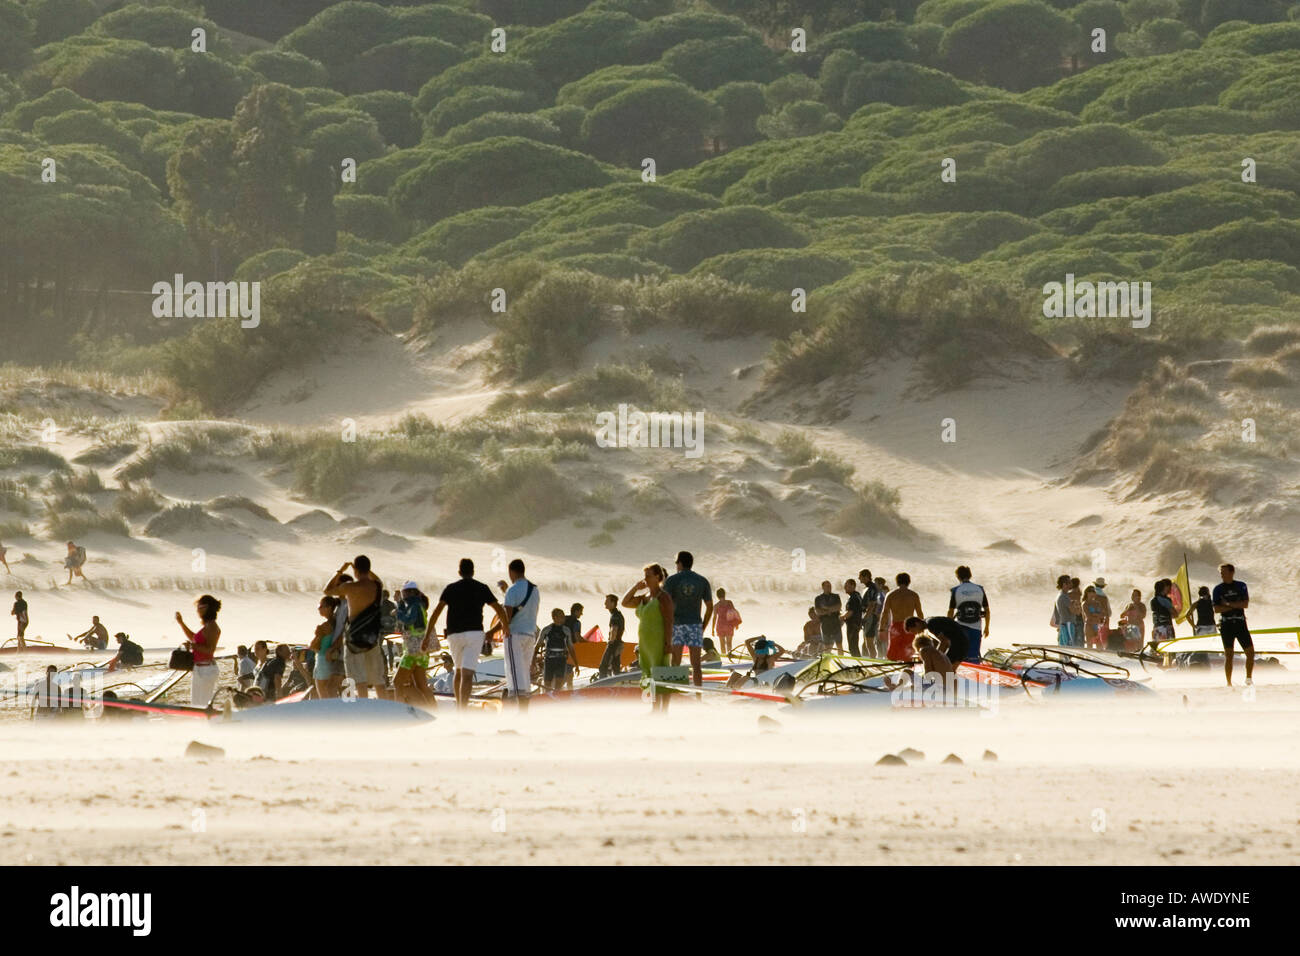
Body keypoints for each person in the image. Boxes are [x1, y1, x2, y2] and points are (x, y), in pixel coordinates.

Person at [425, 558, 506, 710]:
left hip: (454, 634)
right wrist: (500, 629)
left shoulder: (451, 588)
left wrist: (427, 635)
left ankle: (460, 708)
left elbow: (436, 613)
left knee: (458, 671)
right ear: (473, 571)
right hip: (474, 633)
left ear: (460, 572)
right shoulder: (481, 587)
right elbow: (499, 610)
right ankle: (463, 709)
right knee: (467, 674)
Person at [325, 556, 389, 700]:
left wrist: (340, 571)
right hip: (372, 638)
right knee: (378, 678)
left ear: (356, 571)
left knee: (358, 678)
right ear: (368, 568)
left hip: (354, 638)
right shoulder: (376, 586)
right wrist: (365, 571)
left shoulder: (350, 587)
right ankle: (385, 709)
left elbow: (327, 591)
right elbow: (377, 579)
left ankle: (364, 708)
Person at [621, 563, 674, 712]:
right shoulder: (644, 597)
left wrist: (668, 643)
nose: (645, 579)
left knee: (662, 675)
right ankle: (655, 707)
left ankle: (664, 710)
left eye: (648, 576)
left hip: (659, 641)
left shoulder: (663, 597)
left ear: (657, 577)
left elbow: (669, 621)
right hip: (645, 642)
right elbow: (624, 602)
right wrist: (635, 587)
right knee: (651, 675)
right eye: (644, 576)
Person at [664, 551, 713, 687]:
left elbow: (664, 604)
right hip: (695, 624)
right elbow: (710, 606)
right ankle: (698, 694)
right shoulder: (701, 580)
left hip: (677, 624)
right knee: (696, 664)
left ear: (679, 563)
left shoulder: (672, 580)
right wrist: (703, 626)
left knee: (675, 662)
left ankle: (674, 691)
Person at [498, 559, 541, 711]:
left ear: (511, 572)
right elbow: (523, 609)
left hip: (514, 634)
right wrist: (506, 592)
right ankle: (524, 709)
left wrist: (492, 631)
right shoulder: (534, 590)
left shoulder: (513, 590)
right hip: (530, 634)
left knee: (514, 672)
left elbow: (508, 616)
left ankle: (520, 711)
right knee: (523, 671)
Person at [390, 582, 433, 707]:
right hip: (422, 651)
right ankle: (433, 711)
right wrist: (399, 603)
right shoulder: (419, 605)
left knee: (397, 682)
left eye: (403, 592)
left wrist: (397, 612)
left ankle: (399, 712)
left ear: (408, 592)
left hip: (413, 651)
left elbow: (409, 619)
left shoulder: (414, 605)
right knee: (421, 686)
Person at [176, 594, 221, 707]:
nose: (198, 611)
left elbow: (210, 649)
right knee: (197, 703)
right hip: (200, 668)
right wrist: (181, 623)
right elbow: (193, 638)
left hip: (206, 669)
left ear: (207, 608)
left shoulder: (212, 627)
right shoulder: (207, 626)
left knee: (202, 704)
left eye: (200, 607)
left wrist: (193, 646)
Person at [1213, 563, 1253, 687]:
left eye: (1224, 572)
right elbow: (1217, 609)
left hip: (1240, 623)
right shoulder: (1218, 589)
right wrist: (1234, 605)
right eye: (1221, 573)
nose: (1222, 575)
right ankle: (1229, 682)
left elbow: (1245, 604)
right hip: (1226, 624)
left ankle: (1248, 678)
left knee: (1250, 652)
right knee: (1229, 655)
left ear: (1231, 572)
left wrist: (1228, 605)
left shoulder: (1241, 586)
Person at [947, 566, 989, 662]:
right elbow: (987, 610)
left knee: (961, 653)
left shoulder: (955, 590)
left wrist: (949, 627)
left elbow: (951, 611)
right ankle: (975, 671)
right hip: (977, 626)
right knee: (974, 655)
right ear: (970, 575)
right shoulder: (980, 589)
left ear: (958, 576)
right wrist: (987, 627)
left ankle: (961, 673)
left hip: (961, 626)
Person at [879, 573, 923, 662]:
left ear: (897, 582)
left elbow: (885, 613)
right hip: (911, 627)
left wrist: (881, 629)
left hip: (896, 626)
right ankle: (908, 669)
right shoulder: (913, 595)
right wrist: (922, 629)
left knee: (893, 651)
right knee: (909, 651)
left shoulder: (891, 595)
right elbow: (919, 614)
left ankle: (892, 670)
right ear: (909, 582)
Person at [903, 616, 968, 669]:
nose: (916, 633)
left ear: (917, 623)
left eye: (914, 631)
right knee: (950, 670)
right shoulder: (927, 623)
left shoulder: (930, 624)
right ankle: (950, 683)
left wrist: (934, 657)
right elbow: (937, 643)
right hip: (961, 640)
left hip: (958, 643)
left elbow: (944, 642)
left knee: (944, 668)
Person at [539, 608, 577, 694]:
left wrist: (576, 663)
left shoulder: (566, 630)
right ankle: (547, 699)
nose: (564, 618)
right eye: (561, 616)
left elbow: (571, 647)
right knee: (547, 684)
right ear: (554, 617)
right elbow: (538, 645)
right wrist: (533, 659)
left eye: (563, 616)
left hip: (561, 660)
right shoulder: (546, 630)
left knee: (559, 685)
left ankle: (556, 699)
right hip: (549, 660)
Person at [309, 597, 342, 698]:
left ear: (329, 608)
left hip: (323, 659)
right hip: (330, 658)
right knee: (331, 692)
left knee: (324, 693)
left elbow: (314, 646)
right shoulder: (338, 622)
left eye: (321, 606)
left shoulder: (325, 626)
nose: (319, 609)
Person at [598, 593, 625, 679]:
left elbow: (614, 629)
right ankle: (617, 685)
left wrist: (610, 642)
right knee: (615, 668)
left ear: (613, 603)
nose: (605, 603)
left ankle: (602, 686)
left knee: (603, 667)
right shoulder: (617, 614)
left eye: (607, 601)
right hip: (618, 643)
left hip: (614, 644)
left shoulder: (615, 616)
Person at [813, 580, 842, 652]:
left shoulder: (836, 596)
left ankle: (841, 660)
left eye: (830, 586)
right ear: (823, 587)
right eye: (827, 586)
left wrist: (826, 609)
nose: (829, 587)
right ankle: (827, 660)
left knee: (839, 644)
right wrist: (831, 610)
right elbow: (818, 611)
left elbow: (838, 607)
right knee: (827, 646)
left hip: (836, 623)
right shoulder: (818, 598)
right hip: (825, 623)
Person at [711, 588, 741, 656]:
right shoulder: (729, 602)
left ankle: (724, 657)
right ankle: (729, 656)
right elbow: (734, 613)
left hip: (720, 625)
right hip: (729, 624)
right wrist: (736, 624)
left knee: (722, 644)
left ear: (717, 596)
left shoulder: (716, 606)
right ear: (724, 594)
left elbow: (714, 618)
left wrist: (712, 629)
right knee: (729, 643)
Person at [562, 602, 585, 691]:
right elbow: (577, 637)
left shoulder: (563, 619)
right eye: (580, 612)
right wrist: (587, 642)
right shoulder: (577, 623)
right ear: (576, 611)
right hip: (570, 651)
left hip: (560, 649)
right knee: (569, 675)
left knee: (562, 673)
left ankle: (558, 691)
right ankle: (569, 693)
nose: (581, 614)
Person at [858, 570, 881, 657]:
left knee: (869, 642)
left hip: (870, 616)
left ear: (866, 577)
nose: (859, 578)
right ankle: (868, 659)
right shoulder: (867, 588)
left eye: (860, 576)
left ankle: (873, 661)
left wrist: (865, 618)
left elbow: (872, 605)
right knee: (866, 642)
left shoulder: (872, 588)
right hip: (867, 615)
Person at [841, 578, 863, 657]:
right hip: (856, 624)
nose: (845, 587)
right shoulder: (857, 595)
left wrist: (841, 617)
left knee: (852, 646)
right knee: (854, 645)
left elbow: (851, 612)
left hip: (853, 624)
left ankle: (857, 662)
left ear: (853, 586)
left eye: (847, 586)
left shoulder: (854, 597)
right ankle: (857, 661)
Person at [1051, 575, 1074, 646]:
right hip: (1067, 624)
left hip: (1063, 625)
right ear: (1064, 584)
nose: (1072, 584)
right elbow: (1073, 611)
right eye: (1070, 582)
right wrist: (1077, 607)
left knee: (1063, 646)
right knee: (1068, 646)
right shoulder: (1063, 596)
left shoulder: (1062, 595)